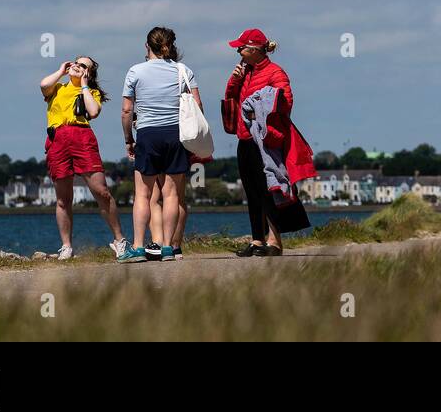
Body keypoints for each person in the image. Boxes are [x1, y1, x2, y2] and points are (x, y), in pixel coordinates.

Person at [222, 28, 315, 257]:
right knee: (252, 191)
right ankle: (257, 239)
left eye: (241, 47)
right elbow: (231, 98)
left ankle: (275, 241)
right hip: (244, 138)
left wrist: (261, 110)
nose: (238, 51)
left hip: (264, 141)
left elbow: (286, 100)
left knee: (268, 190)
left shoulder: (275, 72)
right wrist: (235, 80)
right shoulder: (245, 72)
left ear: (254, 50)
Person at [118, 27, 201, 262]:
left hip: (147, 134)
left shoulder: (135, 71)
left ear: (147, 46)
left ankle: (137, 247)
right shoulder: (183, 70)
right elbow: (197, 105)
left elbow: (126, 110)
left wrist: (128, 139)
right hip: (176, 135)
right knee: (172, 194)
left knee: (143, 195)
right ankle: (167, 247)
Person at [39, 57, 129, 260]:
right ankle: (66, 246)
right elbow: (43, 84)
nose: (77, 67)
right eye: (76, 63)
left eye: (83, 66)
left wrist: (85, 86)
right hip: (57, 139)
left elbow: (93, 111)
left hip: (82, 137)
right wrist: (61, 70)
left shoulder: (91, 92)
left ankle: (120, 240)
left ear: (89, 73)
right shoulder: (58, 88)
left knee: (102, 192)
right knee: (63, 198)